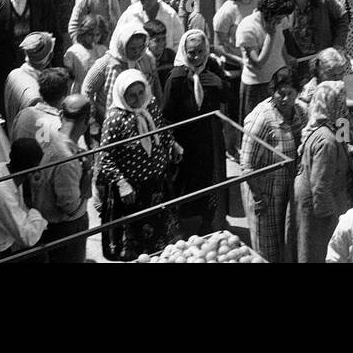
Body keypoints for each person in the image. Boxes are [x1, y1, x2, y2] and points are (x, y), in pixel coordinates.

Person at [94, 68, 174, 261]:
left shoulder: (150, 104)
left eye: (140, 93)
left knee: (160, 234)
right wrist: (122, 183)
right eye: (131, 96)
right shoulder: (114, 119)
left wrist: (173, 145)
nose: (138, 99)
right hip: (131, 191)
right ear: (122, 95)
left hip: (155, 183)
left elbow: (161, 127)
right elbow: (105, 157)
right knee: (136, 240)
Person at [160, 29, 227, 237]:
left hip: (210, 138)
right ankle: (182, 226)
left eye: (200, 51)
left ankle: (209, 221)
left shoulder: (212, 67)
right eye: (191, 52)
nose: (196, 57)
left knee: (211, 179)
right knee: (184, 182)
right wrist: (172, 143)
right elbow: (167, 113)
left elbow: (228, 95)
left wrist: (219, 84)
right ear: (184, 51)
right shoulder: (178, 76)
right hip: (186, 140)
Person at [240, 66, 305, 263]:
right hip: (266, 197)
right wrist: (259, 199)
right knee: (267, 252)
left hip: (288, 194)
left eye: (290, 93)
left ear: (298, 93)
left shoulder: (301, 112)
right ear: (272, 91)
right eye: (280, 93)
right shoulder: (261, 118)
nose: (285, 99)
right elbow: (247, 165)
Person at [292, 78, 353, 263]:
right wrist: (334, 222)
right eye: (340, 102)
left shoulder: (331, 123)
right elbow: (320, 189)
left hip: (329, 198)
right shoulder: (326, 141)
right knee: (317, 252)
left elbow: (344, 140)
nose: (345, 107)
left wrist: (351, 151)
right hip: (320, 212)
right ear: (332, 105)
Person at [31, 93, 94, 263]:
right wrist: (87, 177)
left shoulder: (47, 138)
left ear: (60, 115)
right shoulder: (67, 160)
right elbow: (70, 207)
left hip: (49, 225)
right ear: (87, 120)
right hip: (67, 230)